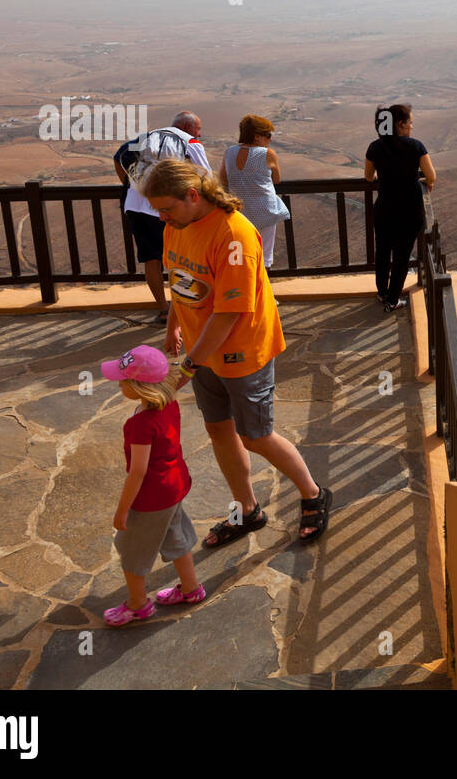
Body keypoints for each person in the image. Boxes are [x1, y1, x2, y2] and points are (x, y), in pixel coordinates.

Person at [142, 159, 332, 545]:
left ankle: (313, 494)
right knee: (218, 430)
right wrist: (173, 328)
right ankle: (248, 510)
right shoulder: (177, 225)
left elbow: (229, 314)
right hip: (201, 349)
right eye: (157, 209)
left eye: (166, 207)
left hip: (241, 351)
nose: (161, 217)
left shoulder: (233, 235)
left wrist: (186, 368)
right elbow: (182, 281)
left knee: (256, 436)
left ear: (192, 196)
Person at [101, 343, 203, 627]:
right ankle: (191, 589)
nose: (119, 385)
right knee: (175, 535)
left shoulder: (141, 425)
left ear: (139, 386)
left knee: (132, 552)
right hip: (175, 485)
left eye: (123, 381)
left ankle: (138, 605)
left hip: (152, 497)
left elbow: (138, 472)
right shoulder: (168, 404)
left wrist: (122, 511)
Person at [113, 111, 211, 322]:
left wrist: (133, 186)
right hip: (169, 208)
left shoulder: (146, 137)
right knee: (182, 259)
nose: (200, 134)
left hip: (136, 206)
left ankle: (164, 310)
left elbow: (119, 157)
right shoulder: (190, 142)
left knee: (151, 258)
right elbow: (207, 177)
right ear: (187, 127)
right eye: (199, 129)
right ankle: (187, 308)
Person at [365, 104, 436, 312]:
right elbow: (431, 176)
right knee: (402, 254)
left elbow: (369, 177)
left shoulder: (375, 147)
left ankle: (382, 292)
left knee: (383, 250)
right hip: (409, 209)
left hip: (384, 208)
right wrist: (422, 179)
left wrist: (382, 176)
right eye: (410, 122)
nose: (412, 126)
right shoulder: (416, 146)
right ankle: (394, 299)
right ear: (400, 124)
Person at [218, 114, 290, 268]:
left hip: (240, 213)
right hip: (265, 211)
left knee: (243, 257)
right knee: (263, 258)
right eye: (268, 135)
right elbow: (277, 179)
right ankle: (261, 289)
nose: (270, 139)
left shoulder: (229, 152)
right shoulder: (267, 154)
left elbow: (223, 180)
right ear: (257, 136)